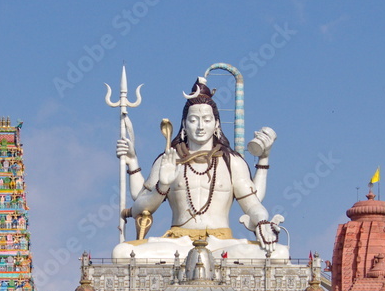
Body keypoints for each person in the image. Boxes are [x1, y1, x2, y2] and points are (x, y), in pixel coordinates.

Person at [113, 77, 286, 260]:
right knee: (121, 252)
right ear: (184, 125)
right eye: (194, 120)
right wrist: (162, 185)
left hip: (221, 244)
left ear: (216, 124)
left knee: (279, 254)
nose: (201, 127)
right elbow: (140, 206)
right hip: (178, 244)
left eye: (206, 119)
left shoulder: (231, 161)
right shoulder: (170, 159)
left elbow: (253, 204)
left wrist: (262, 221)